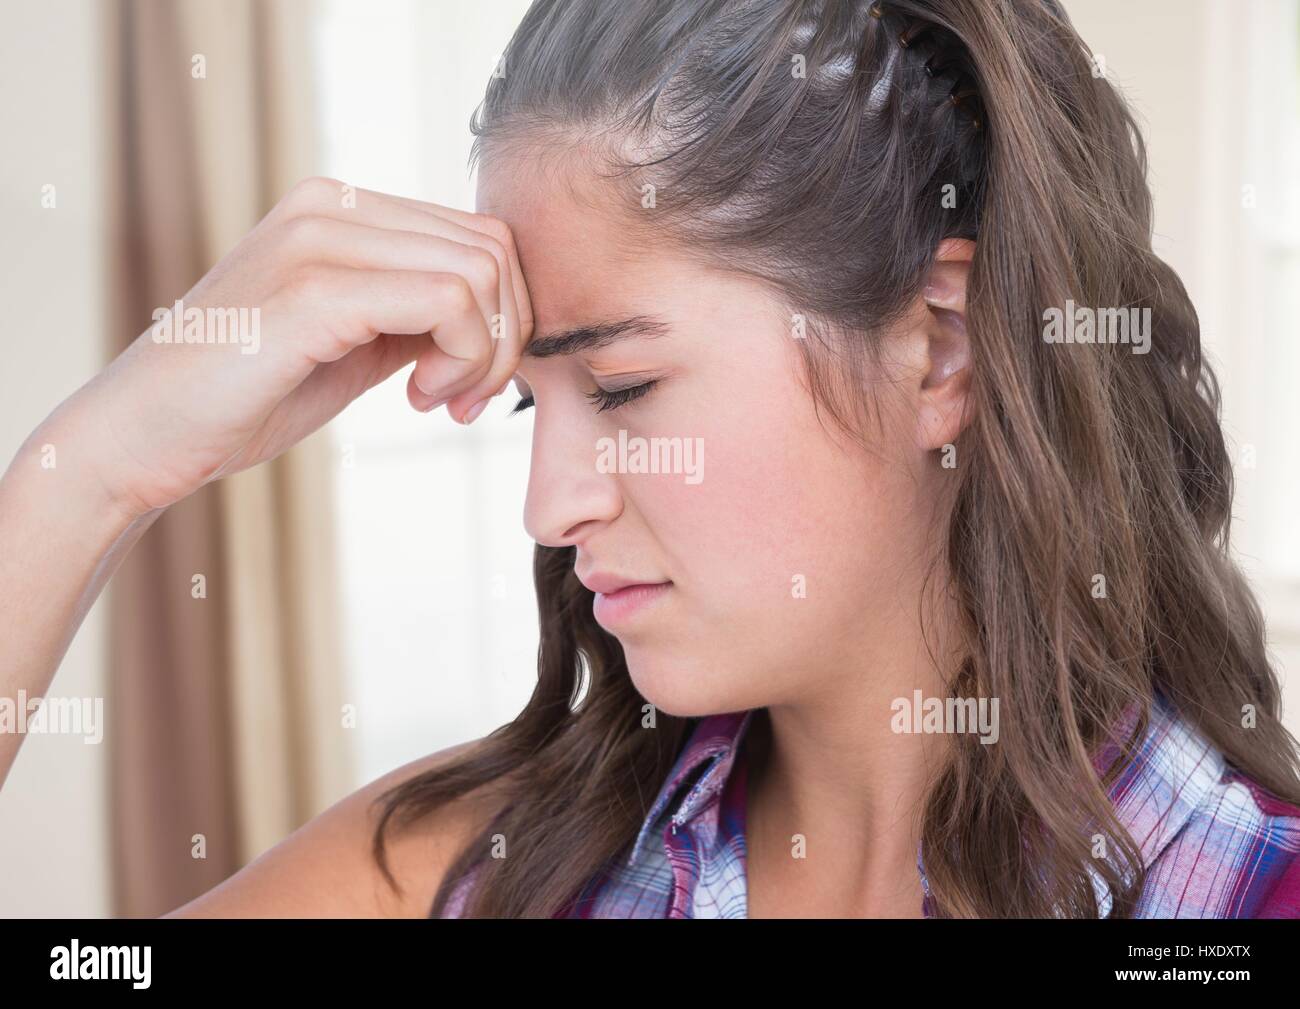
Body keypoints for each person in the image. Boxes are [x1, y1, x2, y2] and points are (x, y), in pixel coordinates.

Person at [2, 0, 1298, 919]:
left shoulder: (1248, 893)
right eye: (529, 405)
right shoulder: (482, 871)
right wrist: (100, 461)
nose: (551, 503)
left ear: (939, 349)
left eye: (622, 387)